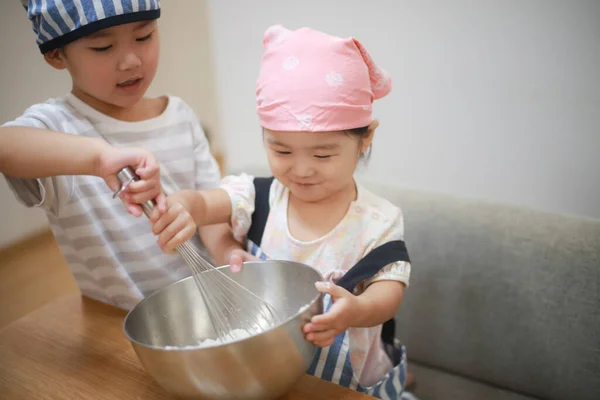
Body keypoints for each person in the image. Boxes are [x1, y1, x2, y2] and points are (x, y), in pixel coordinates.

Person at [148, 25, 418, 399]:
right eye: (282, 151)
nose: (302, 170)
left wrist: (356, 310)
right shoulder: (258, 196)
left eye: (323, 154)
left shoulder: (379, 220)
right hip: (268, 373)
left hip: (348, 386)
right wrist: (186, 205)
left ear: (365, 138)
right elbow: (207, 204)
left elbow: (390, 291)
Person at [0, 0, 246, 311]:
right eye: (103, 47)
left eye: (144, 37)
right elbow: (5, 145)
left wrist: (226, 252)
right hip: (118, 324)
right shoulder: (59, 127)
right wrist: (98, 158)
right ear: (56, 53)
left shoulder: (180, 116)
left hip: (209, 306)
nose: (130, 61)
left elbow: (211, 211)